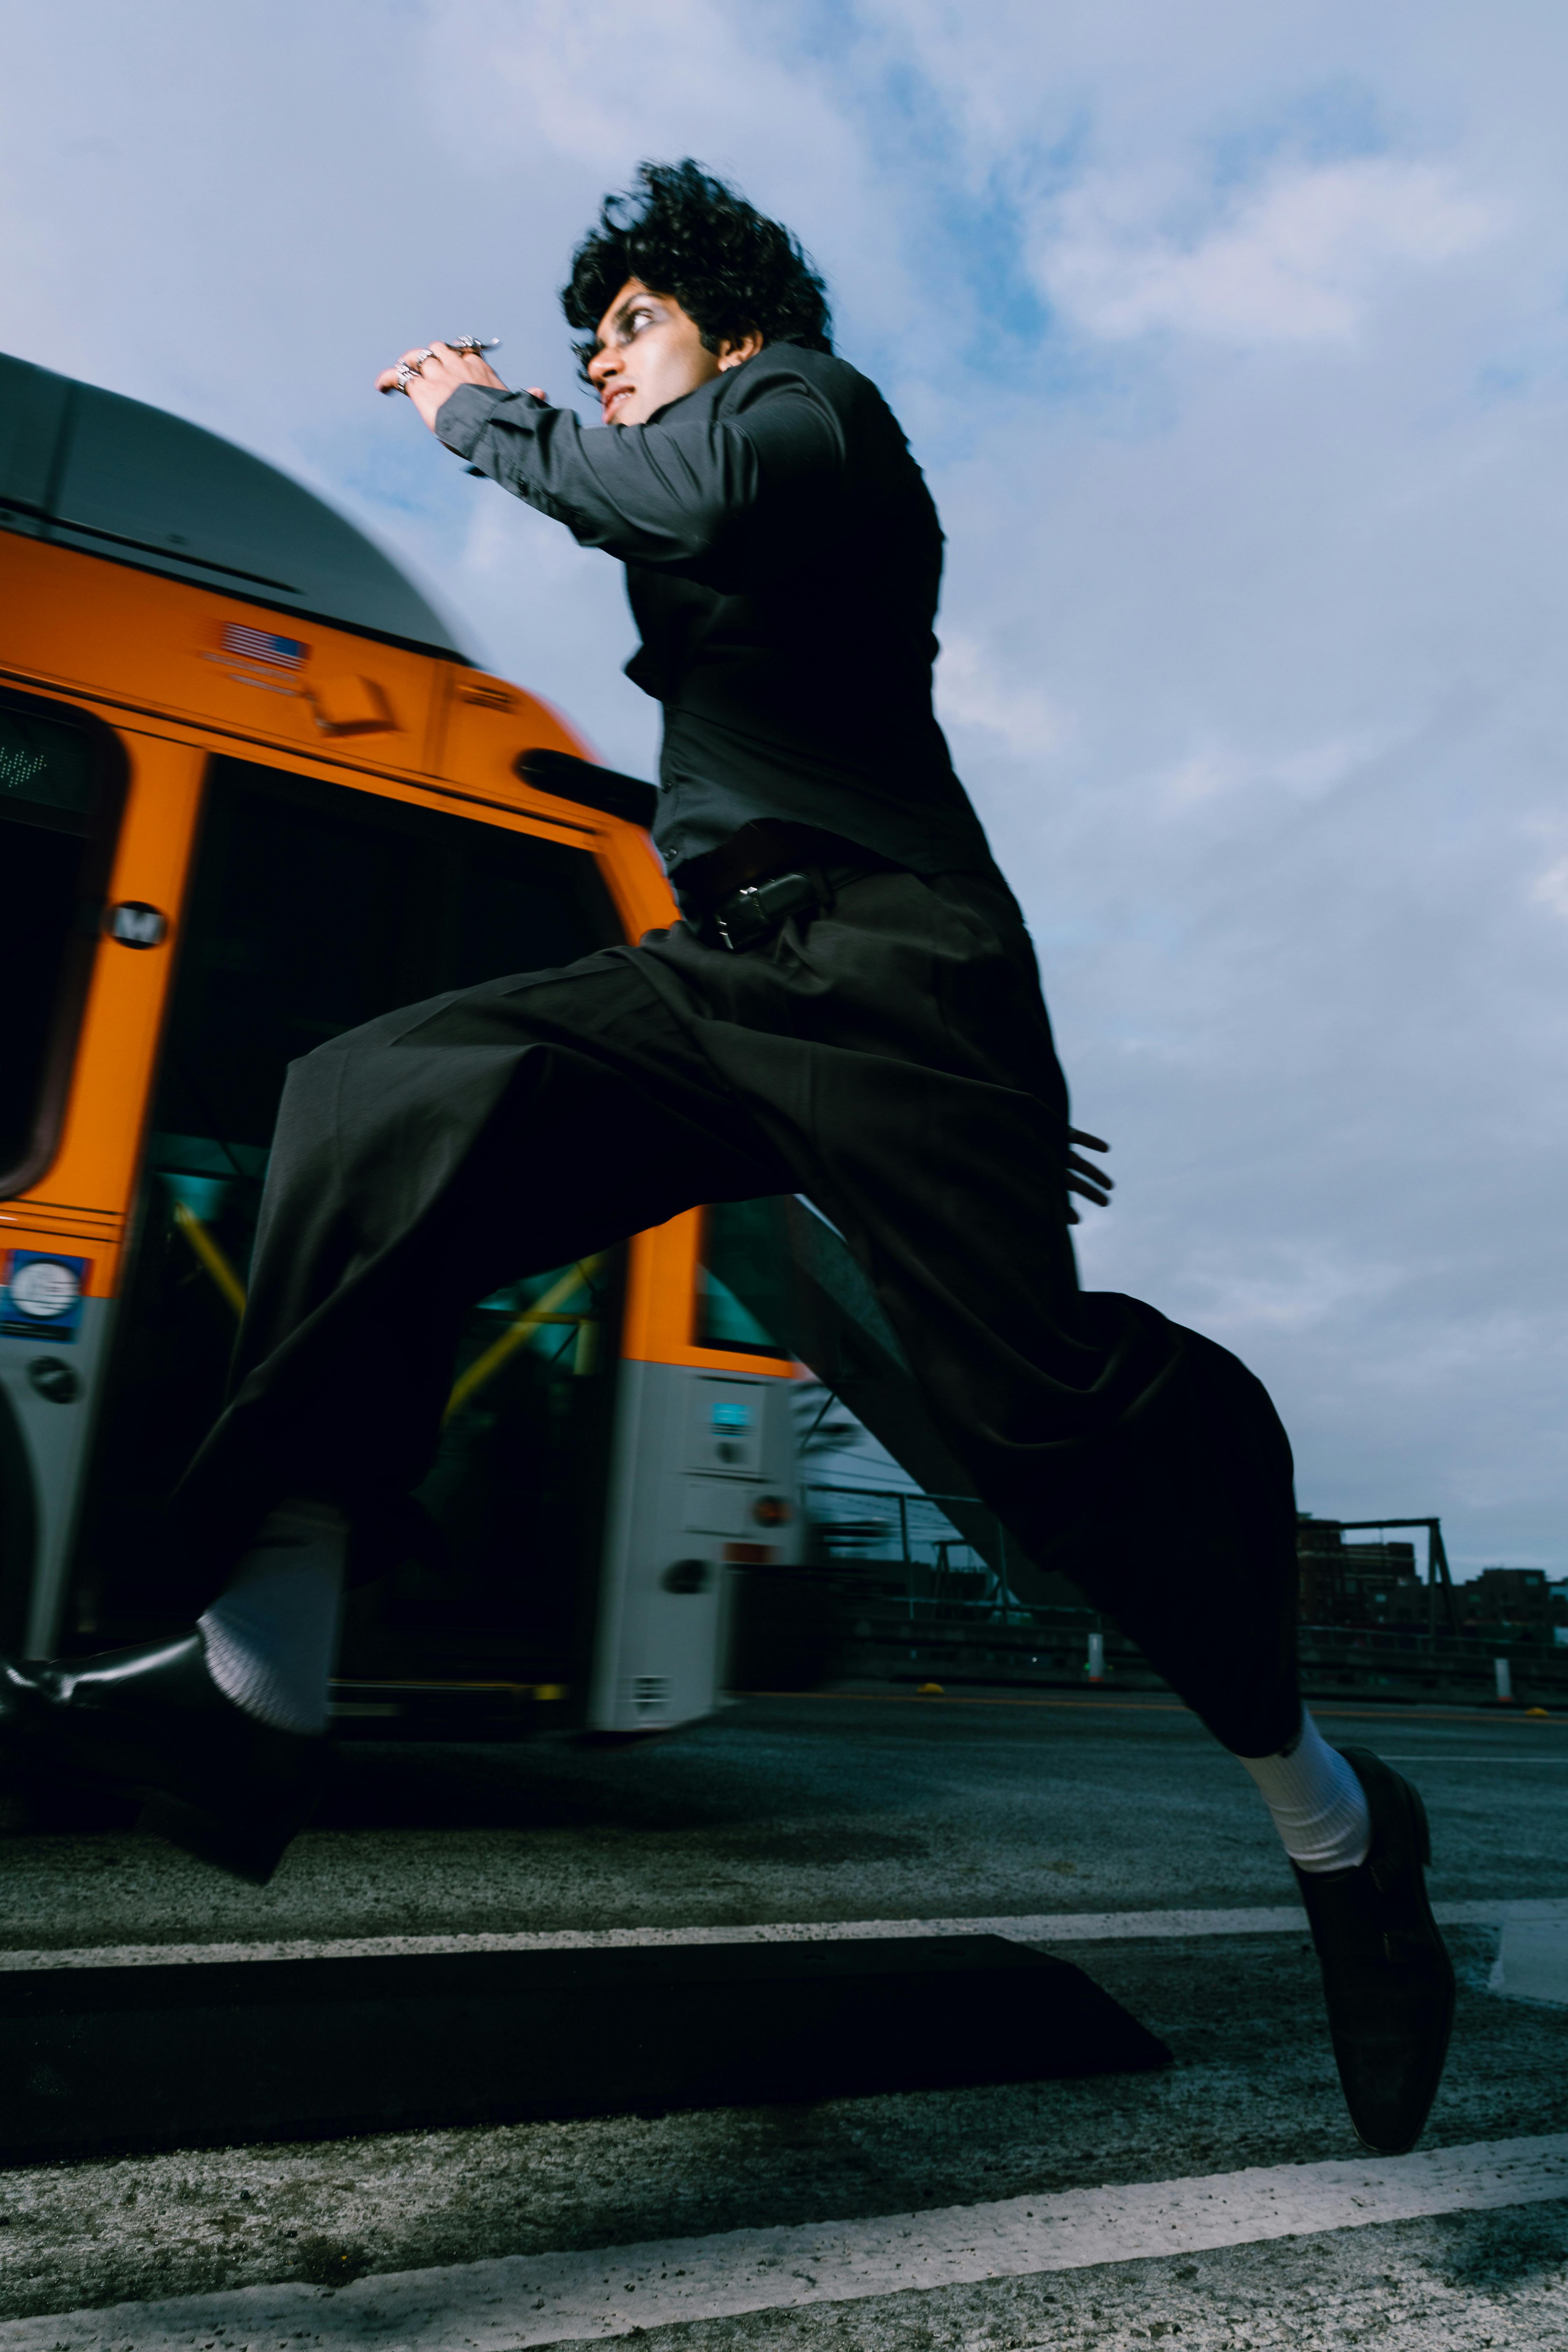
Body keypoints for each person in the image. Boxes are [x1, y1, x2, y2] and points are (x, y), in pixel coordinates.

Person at [0, 162, 1452, 2155]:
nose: (602, 366)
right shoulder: (721, 507)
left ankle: (1341, 1827)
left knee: (1035, 1433)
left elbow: (667, 497)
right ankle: (264, 1681)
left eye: (630, 332)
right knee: (379, 1091)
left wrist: (474, 410)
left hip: (891, 973)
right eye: (590, 348)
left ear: (732, 327)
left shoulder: (806, 413)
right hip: (730, 976)